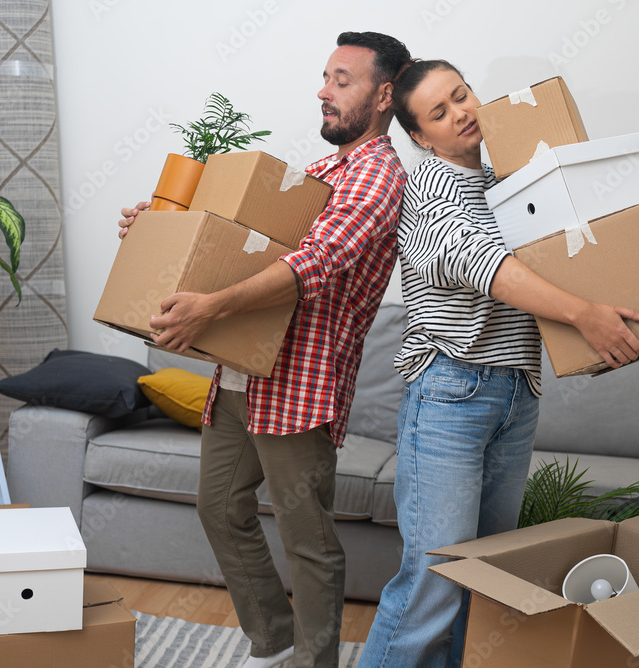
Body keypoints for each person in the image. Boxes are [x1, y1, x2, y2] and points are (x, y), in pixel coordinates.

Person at [356, 59, 639, 668]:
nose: (461, 112)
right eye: (440, 112)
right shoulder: (430, 192)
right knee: (433, 581)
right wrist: (587, 314)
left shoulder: (507, 185)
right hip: (451, 395)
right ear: (419, 137)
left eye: (462, 96)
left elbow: (574, 263)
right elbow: (490, 268)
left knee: (484, 573)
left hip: (514, 395)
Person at [118, 32, 410, 668]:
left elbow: (314, 261)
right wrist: (166, 224)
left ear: (383, 95)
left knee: (308, 541)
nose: (322, 92)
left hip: (300, 387)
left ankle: (315, 660)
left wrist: (212, 307)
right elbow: (247, 241)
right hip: (244, 373)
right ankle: (274, 642)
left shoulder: (378, 178)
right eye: (324, 78)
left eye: (341, 80)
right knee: (220, 507)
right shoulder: (319, 173)